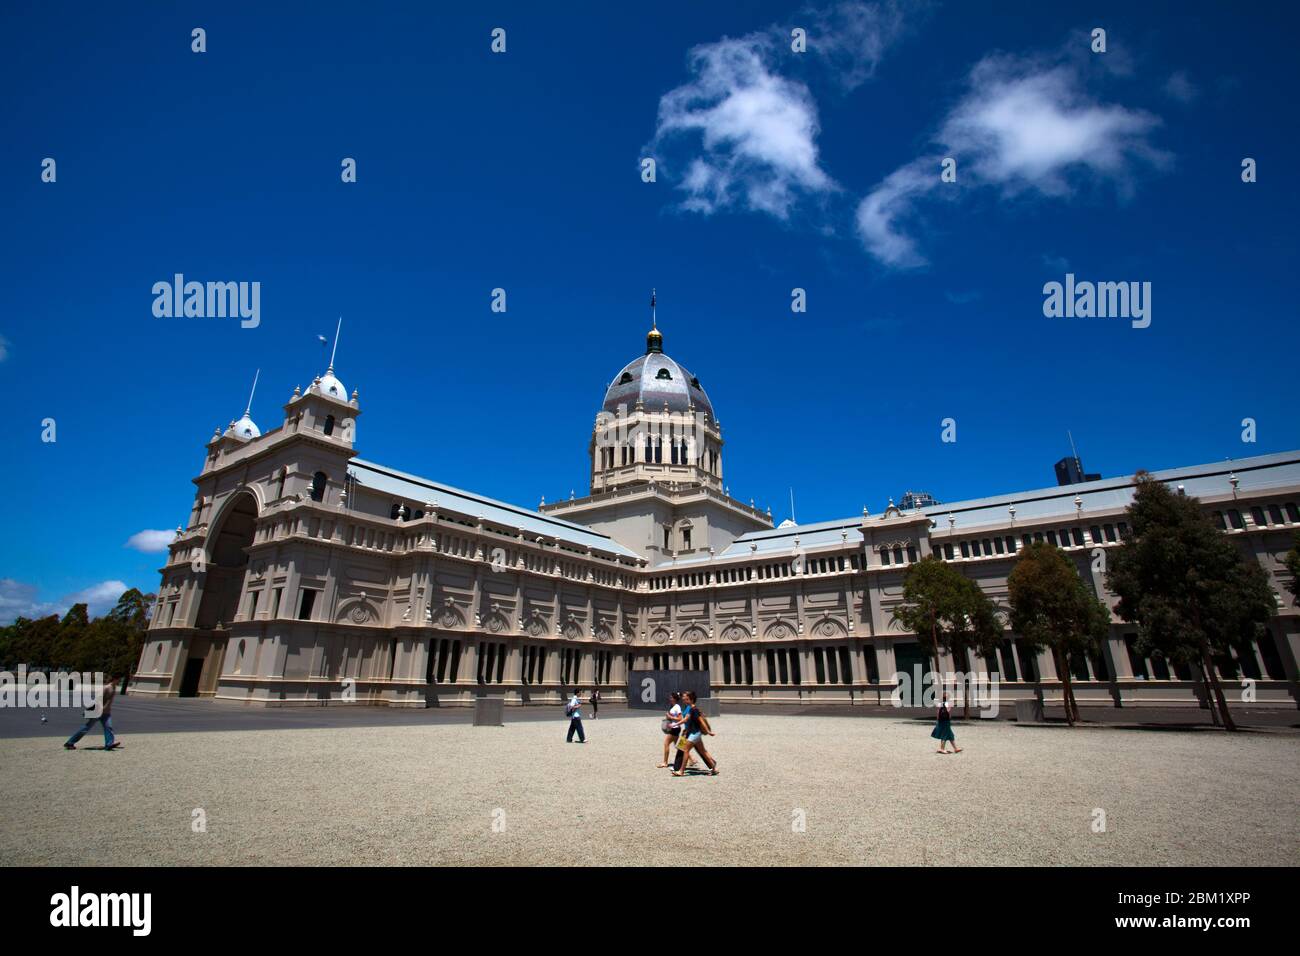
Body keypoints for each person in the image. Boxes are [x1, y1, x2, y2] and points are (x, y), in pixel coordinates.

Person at [64, 674, 122, 751]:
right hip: (98, 711)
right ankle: (70, 743)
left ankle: (109, 744)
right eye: (119, 679)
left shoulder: (114, 687)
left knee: (108, 727)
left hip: (106, 712)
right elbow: (98, 698)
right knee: (87, 727)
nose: (120, 681)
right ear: (115, 679)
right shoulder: (106, 688)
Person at [672, 691, 717, 776]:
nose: (685, 701)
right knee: (703, 751)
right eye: (684, 699)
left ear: (692, 700)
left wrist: (708, 732)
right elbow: (685, 719)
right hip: (693, 733)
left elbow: (701, 721)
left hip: (694, 733)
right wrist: (675, 724)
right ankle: (714, 768)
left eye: (687, 699)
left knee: (685, 750)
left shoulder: (694, 709)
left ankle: (681, 771)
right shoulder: (690, 708)